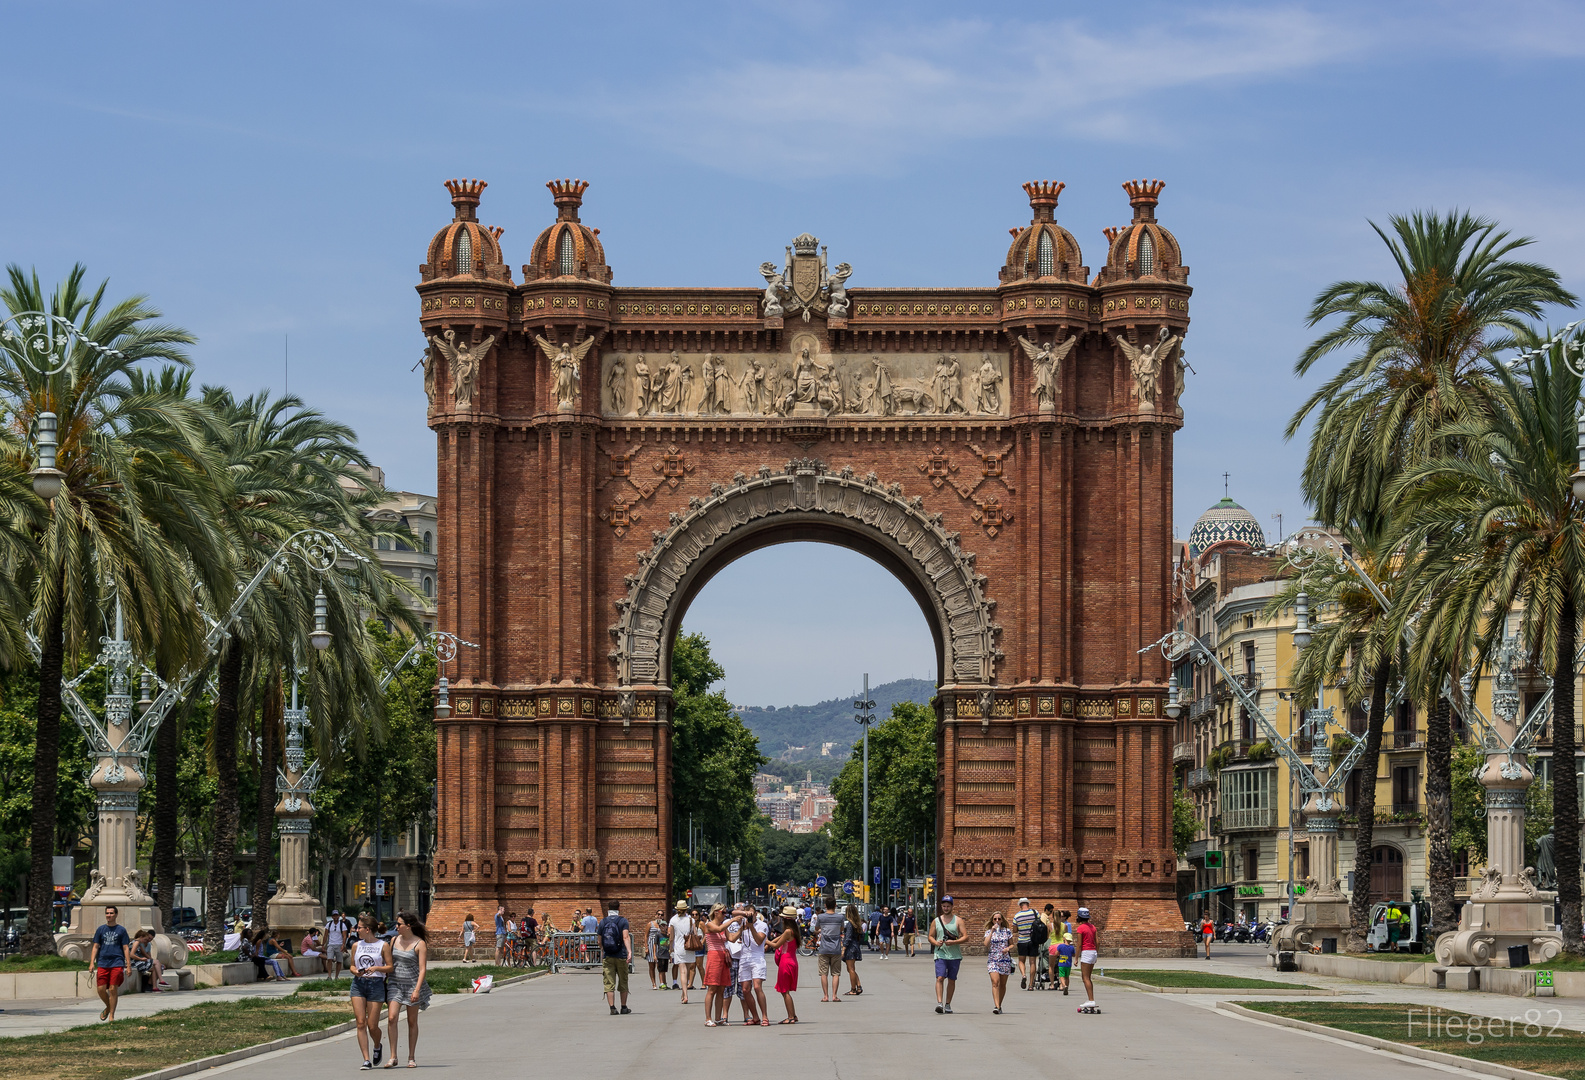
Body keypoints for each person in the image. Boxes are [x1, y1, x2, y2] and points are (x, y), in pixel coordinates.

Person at [385, 911, 431, 1068]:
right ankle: (393, 1056)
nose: (396, 927)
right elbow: (389, 962)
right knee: (391, 1018)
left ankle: (411, 1057)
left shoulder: (419, 943)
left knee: (412, 1021)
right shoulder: (394, 940)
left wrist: (417, 989)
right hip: (395, 984)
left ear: (408, 926)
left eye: (399, 924)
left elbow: (423, 969)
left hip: (412, 985)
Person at [349, 912, 392, 1070]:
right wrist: (355, 971)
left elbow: (390, 967)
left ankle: (377, 1045)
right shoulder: (356, 945)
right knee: (361, 1023)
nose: (356, 930)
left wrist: (376, 968)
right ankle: (366, 1059)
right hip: (359, 984)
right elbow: (352, 965)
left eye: (358, 928)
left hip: (376, 984)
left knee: (372, 1025)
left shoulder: (383, 945)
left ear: (367, 929)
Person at [88, 904, 133, 1021]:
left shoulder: (121, 930)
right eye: (107, 913)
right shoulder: (100, 929)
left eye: (111, 913)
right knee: (101, 989)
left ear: (116, 915)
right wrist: (92, 963)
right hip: (103, 962)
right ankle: (108, 1007)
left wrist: (128, 965)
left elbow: (125, 948)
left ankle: (111, 1015)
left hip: (117, 962)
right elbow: (96, 946)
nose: (109, 915)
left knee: (113, 989)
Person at [928, 895, 967, 1014]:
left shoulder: (958, 920)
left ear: (952, 907)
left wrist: (954, 942)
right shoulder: (936, 921)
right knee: (940, 977)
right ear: (941, 907)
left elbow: (965, 937)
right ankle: (939, 1003)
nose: (946, 908)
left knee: (951, 980)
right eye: (944, 906)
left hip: (954, 955)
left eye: (948, 906)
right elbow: (930, 936)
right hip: (940, 954)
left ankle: (948, 1003)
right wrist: (936, 943)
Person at [599, 901, 633, 1016]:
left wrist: (603, 949)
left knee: (609, 982)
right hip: (621, 955)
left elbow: (599, 940)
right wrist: (629, 952)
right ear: (619, 908)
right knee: (623, 980)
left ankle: (612, 1008)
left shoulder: (603, 922)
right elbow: (625, 936)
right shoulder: (623, 921)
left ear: (608, 908)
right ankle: (624, 1007)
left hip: (608, 955)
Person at [737, 904, 769, 1025]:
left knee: (757, 987)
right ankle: (755, 1017)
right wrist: (744, 916)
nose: (749, 916)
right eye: (747, 914)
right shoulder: (742, 924)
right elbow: (733, 913)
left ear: (756, 914)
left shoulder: (762, 925)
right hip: (744, 957)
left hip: (757, 958)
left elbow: (759, 940)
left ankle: (764, 1016)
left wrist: (751, 927)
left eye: (751, 913)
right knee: (745, 989)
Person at [701, 903, 731, 1026]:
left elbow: (732, 938)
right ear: (716, 912)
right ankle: (708, 1018)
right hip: (714, 956)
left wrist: (742, 928)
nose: (725, 914)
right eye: (723, 912)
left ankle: (718, 1018)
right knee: (712, 988)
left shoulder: (723, 926)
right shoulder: (709, 924)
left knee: (721, 989)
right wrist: (733, 919)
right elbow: (718, 930)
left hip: (723, 956)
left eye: (726, 912)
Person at [769, 907, 800, 1023]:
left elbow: (776, 945)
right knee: (785, 990)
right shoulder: (793, 931)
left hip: (786, 962)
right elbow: (778, 939)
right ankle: (793, 1015)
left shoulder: (787, 932)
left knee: (784, 991)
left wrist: (763, 940)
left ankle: (791, 1017)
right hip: (792, 961)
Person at [811, 897, 844, 1003]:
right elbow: (841, 929)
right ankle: (835, 995)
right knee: (835, 973)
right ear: (835, 905)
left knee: (823, 973)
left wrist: (822, 930)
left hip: (824, 948)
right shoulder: (840, 917)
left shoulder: (821, 917)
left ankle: (825, 996)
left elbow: (816, 929)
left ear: (825, 905)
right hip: (836, 949)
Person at [985, 911, 1014, 1013]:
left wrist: (1007, 949)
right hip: (993, 960)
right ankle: (996, 1006)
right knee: (995, 982)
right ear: (992, 920)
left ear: (1002, 920)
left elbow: (1012, 944)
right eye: (995, 919)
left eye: (999, 919)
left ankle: (999, 1005)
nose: (997, 921)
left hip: (1004, 960)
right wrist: (992, 931)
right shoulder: (989, 932)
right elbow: (985, 944)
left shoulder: (1007, 931)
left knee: (1002, 984)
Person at [667, 900, 696, 998]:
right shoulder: (691, 920)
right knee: (687, 970)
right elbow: (695, 934)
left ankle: (685, 994)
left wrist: (671, 949)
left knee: (682, 971)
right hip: (689, 947)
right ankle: (684, 992)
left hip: (679, 947)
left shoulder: (673, 920)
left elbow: (671, 937)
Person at [1074, 906, 1100, 1010]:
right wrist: (1096, 953)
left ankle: (1091, 1000)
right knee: (1088, 977)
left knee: (1085, 978)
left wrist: (1076, 958)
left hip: (1086, 952)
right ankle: (1090, 999)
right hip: (1093, 952)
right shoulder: (1093, 927)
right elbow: (1097, 942)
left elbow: (1079, 944)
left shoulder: (1080, 928)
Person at [1012, 898, 1038, 990]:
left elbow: (1014, 930)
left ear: (1020, 906)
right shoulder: (1035, 913)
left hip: (1022, 940)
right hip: (1033, 941)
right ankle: (1031, 985)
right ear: (1028, 904)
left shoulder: (1017, 916)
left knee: (1021, 961)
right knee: (1032, 962)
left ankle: (1023, 975)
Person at [129, 928, 164, 993]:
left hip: (139, 961)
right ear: (141, 937)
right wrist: (141, 959)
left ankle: (153, 986)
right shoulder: (136, 943)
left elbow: (147, 955)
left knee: (156, 966)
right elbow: (131, 955)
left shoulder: (139, 943)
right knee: (156, 963)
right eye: (145, 939)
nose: (146, 941)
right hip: (135, 963)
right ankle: (160, 981)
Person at [841, 904, 864, 995]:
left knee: (850, 969)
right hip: (856, 946)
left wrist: (843, 949)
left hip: (850, 947)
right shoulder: (857, 924)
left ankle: (853, 989)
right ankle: (858, 986)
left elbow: (848, 937)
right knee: (851, 969)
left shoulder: (850, 924)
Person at [326, 909, 353, 980]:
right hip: (331, 944)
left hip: (339, 944)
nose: (335, 917)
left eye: (336, 915)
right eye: (334, 916)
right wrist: (323, 944)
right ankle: (329, 976)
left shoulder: (342, 925)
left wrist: (343, 945)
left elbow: (344, 936)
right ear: (332, 917)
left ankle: (336, 976)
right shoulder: (329, 924)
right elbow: (325, 935)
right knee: (329, 959)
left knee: (339, 960)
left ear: (338, 916)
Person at [646, 909, 665, 990]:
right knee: (651, 965)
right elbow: (646, 935)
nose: (660, 916)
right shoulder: (650, 924)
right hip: (651, 944)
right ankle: (654, 983)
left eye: (661, 915)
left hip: (660, 945)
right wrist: (646, 947)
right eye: (658, 914)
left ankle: (662, 982)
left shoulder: (664, 924)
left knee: (660, 965)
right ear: (655, 915)